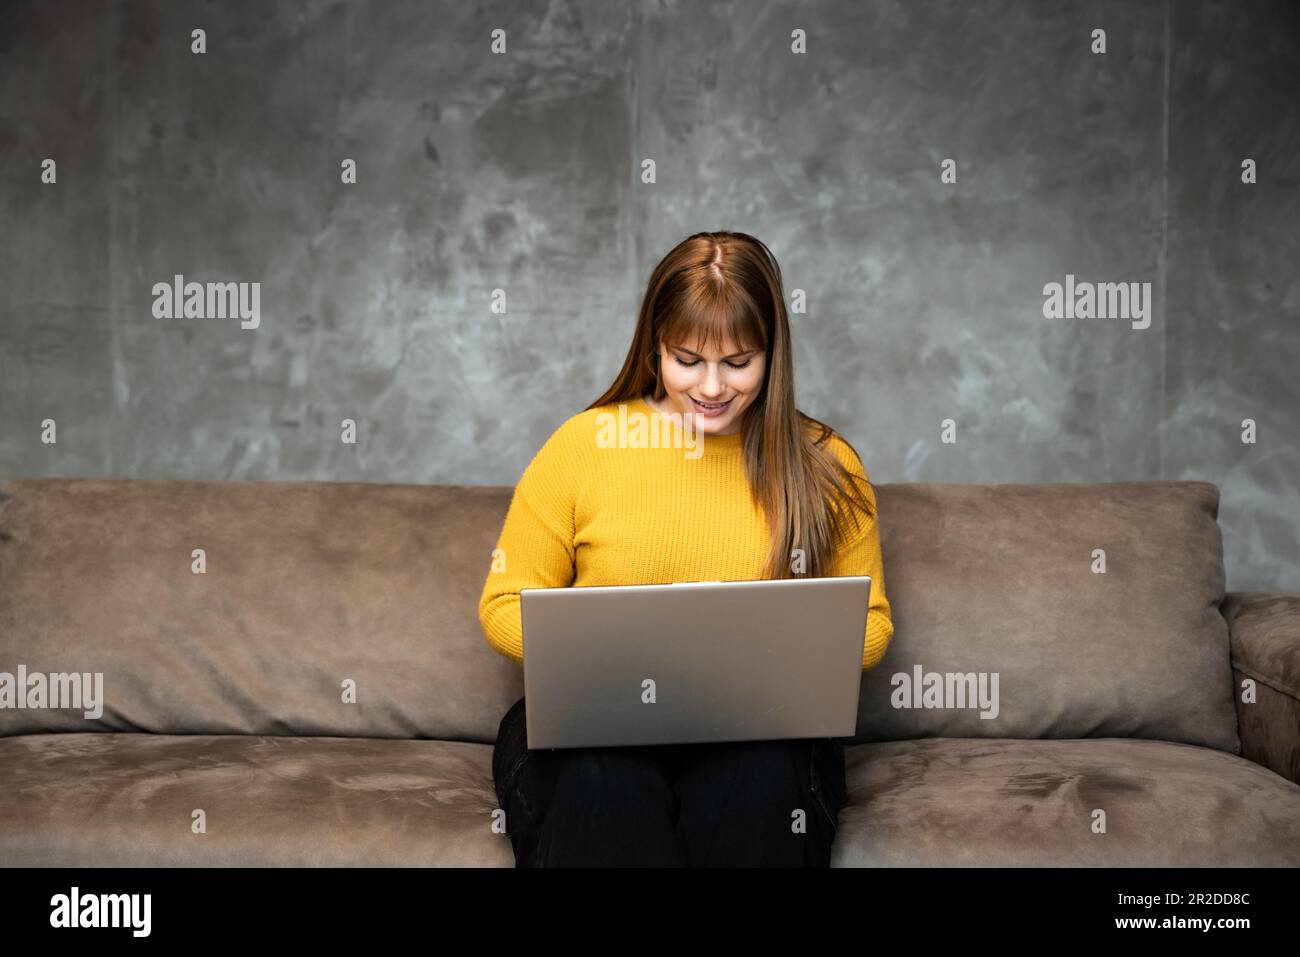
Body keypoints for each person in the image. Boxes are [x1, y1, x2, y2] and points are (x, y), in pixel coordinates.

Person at [478, 230, 894, 866]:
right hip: (593, 726)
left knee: (759, 777)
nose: (710, 387)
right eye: (687, 359)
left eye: (738, 362)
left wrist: (757, 656)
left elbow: (871, 624)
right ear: (655, 345)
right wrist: (609, 652)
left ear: (773, 354)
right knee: (599, 778)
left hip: (758, 730)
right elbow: (503, 602)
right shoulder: (584, 447)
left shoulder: (825, 463)